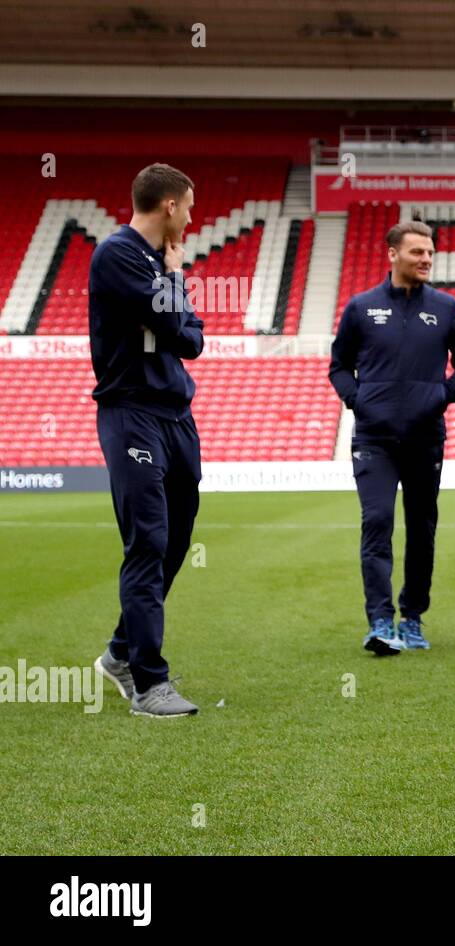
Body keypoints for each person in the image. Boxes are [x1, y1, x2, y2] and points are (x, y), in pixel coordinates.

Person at [329, 221, 455, 655]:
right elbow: (338, 366)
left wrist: (440, 397)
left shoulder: (448, 309)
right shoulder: (361, 307)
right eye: (417, 252)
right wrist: (358, 400)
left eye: (430, 252)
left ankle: (412, 618)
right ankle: (379, 620)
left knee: (421, 528)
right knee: (376, 522)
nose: (426, 259)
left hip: (425, 437)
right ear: (392, 254)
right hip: (374, 437)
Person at [89, 163, 204, 718]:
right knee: (149, 542)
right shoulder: (117, 254)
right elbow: (178, 327)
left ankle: (118, 652)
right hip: (132, 412)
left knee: (176, 541)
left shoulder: (160, 263)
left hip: (176, 415)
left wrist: (171, 297)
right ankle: (148, 683)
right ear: (168, 206)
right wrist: (175, 284)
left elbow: (192, 340)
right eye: (189, 205)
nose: (192, 216)